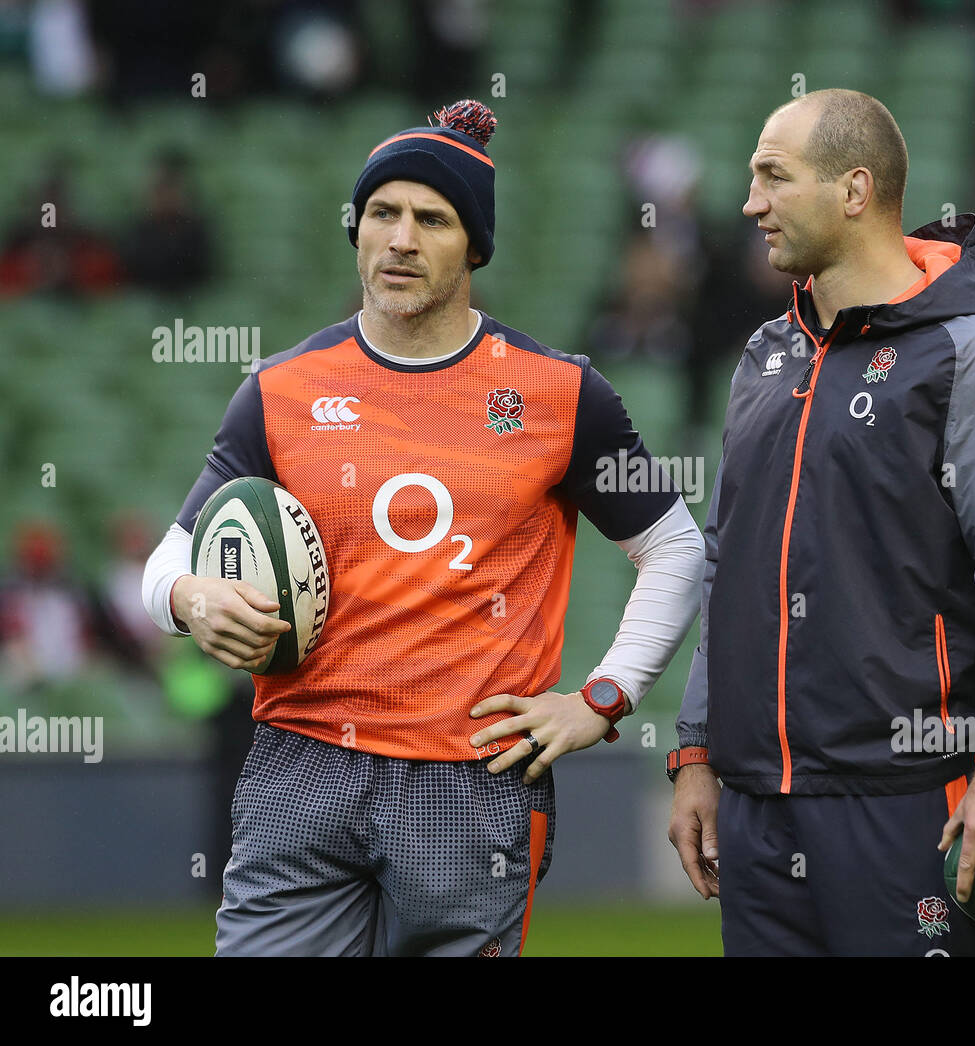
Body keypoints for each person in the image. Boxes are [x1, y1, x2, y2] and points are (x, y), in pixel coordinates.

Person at [141, 100, 704, 956]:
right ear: (357, 229)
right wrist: (189, 598)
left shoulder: (561, 395)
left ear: (473, 246)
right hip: (300, 762)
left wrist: (605, 696)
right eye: (382, 213)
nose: (401, 239)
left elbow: (675, 548)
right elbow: (167, 561)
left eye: (432, 219)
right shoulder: (280, 391)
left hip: (472, 778)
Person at [667, 89, 975, 956]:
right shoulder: (764, 353)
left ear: (854, 191)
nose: (751, 204)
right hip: (756, 810)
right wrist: (698, 750)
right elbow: (725, 563)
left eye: (773, 177)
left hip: (908, 804)